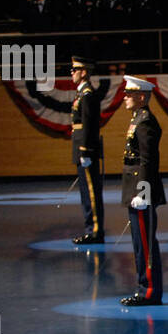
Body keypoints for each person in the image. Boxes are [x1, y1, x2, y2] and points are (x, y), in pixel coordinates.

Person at [119, 76, 165, 306]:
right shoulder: (137, 118)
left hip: (141, 190)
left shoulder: (145, 121)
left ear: (141, 96)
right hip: (135, 188)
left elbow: (148, 160)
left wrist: (143, 193)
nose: (125, 97)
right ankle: (142, 287)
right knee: (139, 243)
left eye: (129, 94)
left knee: (145, 244)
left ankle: (148, 292)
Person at [69, 55, 105, 244]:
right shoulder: (82, 93)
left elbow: (89, 125)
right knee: (85, 192)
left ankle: (95, 231)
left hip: (86, 149)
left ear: (84, 72)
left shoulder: (88, 94)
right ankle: (90, 228)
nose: (72, 74)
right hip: (81, 148)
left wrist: (85, 150)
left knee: (91, 192)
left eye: (75, 70)